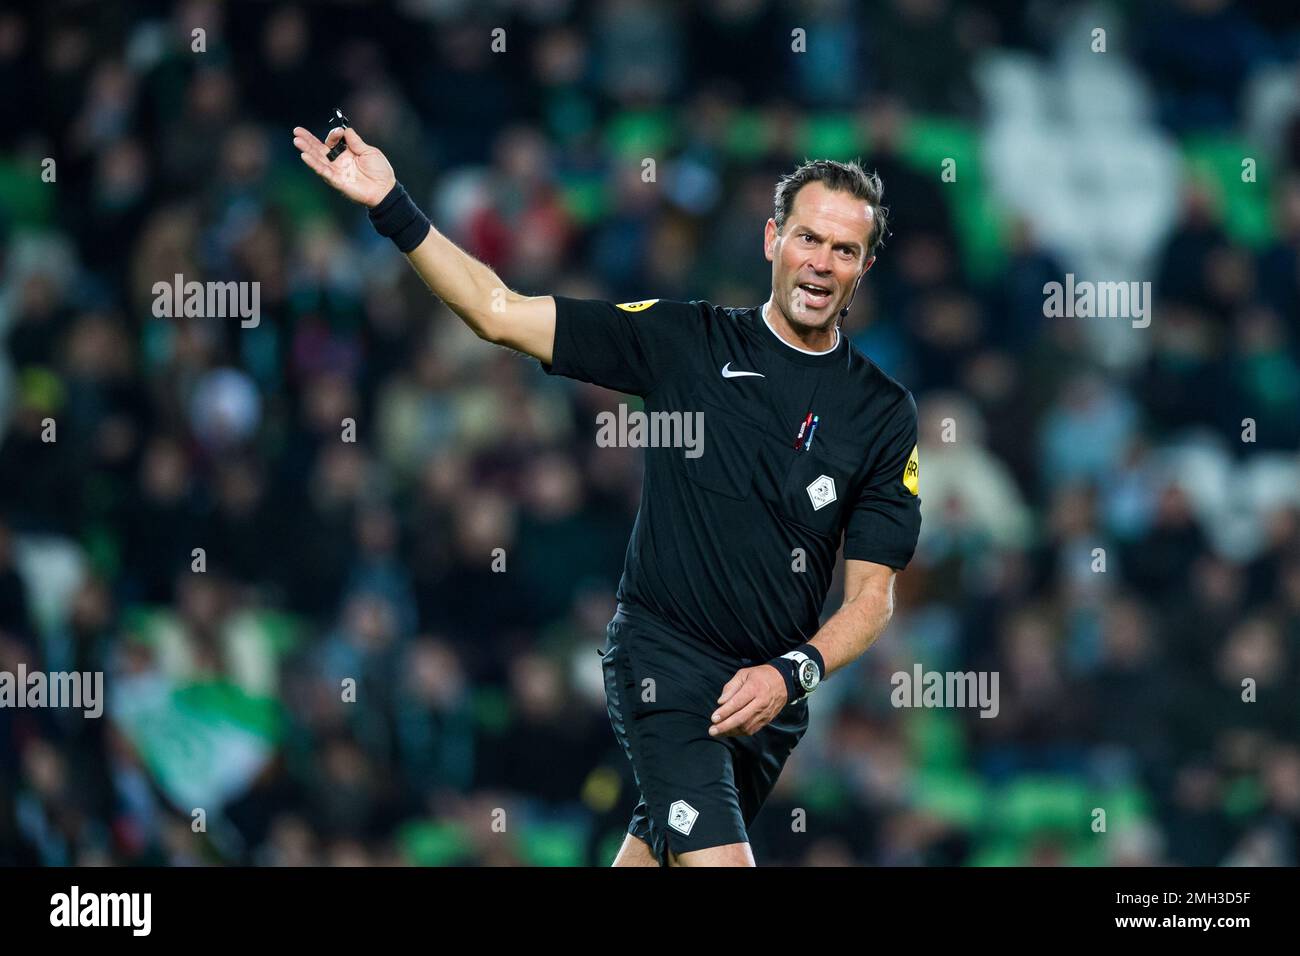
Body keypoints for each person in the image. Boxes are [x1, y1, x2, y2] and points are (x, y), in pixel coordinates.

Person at [292, 123, 922, 866]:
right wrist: (392, 205)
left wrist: (794, 672)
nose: (821, 263)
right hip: (666, 662)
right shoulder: (688, 342)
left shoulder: (882, 413)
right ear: (771, 240)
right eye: (808, 239)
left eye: (844, 250)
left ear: (865, 266)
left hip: (768, 702)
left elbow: (872, 599)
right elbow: (498, 312)